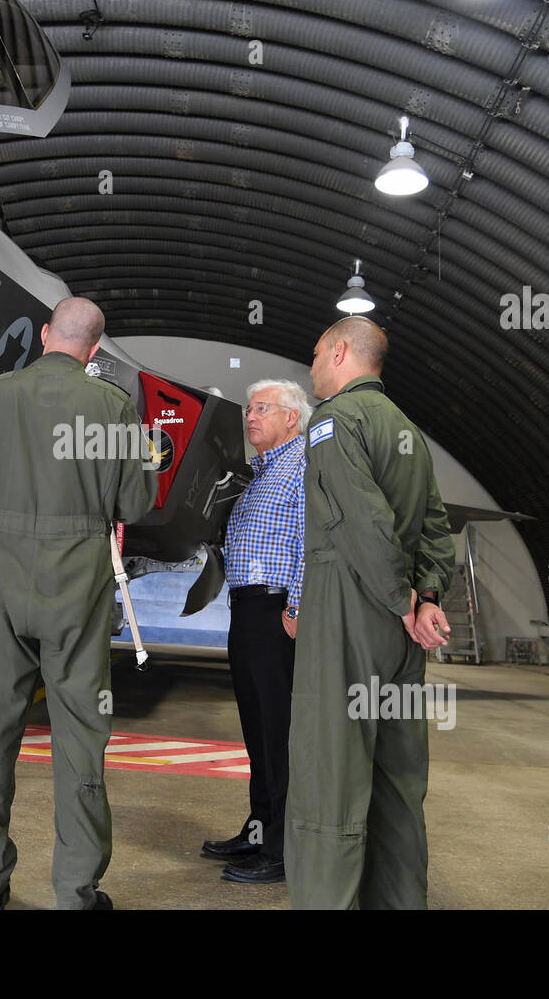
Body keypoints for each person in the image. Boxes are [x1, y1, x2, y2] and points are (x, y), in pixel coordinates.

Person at [0, 296, 158, 911]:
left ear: (44, 335)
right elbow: (137, 506)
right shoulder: (114, 407)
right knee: (80, 737)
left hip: (6, 578)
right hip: (80, 584)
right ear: (96, 349)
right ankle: (76, 891)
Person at [285, 315, 456, 909]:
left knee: (329, 772)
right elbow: (436, 527)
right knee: (398, 778)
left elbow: (362, 523)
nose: (309, 369)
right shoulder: (409, 432)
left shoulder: (333, 423)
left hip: (349, 610)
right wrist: (426, 598)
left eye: (313, 354)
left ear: (338, 351)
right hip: (402, 632)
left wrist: (401, 599)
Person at [201, 379, 308, 885]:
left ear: (292, 417)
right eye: (249, 407)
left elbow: (317, 540)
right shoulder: (261, 473)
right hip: (247, 611)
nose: (250, 415)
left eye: (262, 408)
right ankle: (259, 830)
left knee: (276, 732)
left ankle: (281, 850)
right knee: (256, 729)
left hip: (275, 614)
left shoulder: (303, 468)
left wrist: (298, 609)